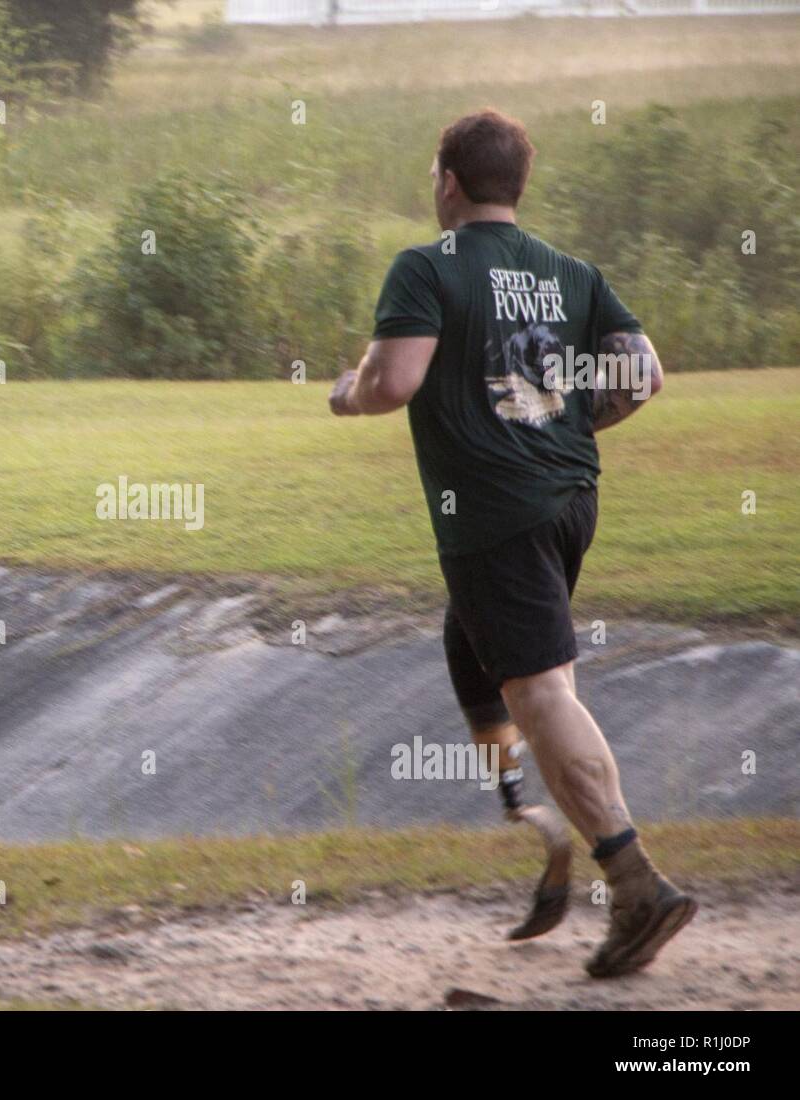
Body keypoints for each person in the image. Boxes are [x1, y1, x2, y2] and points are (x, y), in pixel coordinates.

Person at [329, 109, 696, 978]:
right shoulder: (571, 272)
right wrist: (574, 416)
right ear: (515, 185)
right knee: (475, 639)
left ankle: (634, 880)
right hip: (571, 497)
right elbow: (640, 375)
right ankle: (522, 805)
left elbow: (394, 381)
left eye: (433, 176)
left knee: (540, 690)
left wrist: (345, 392)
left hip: (495, 512)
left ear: (449, 182)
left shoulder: (428, 267)